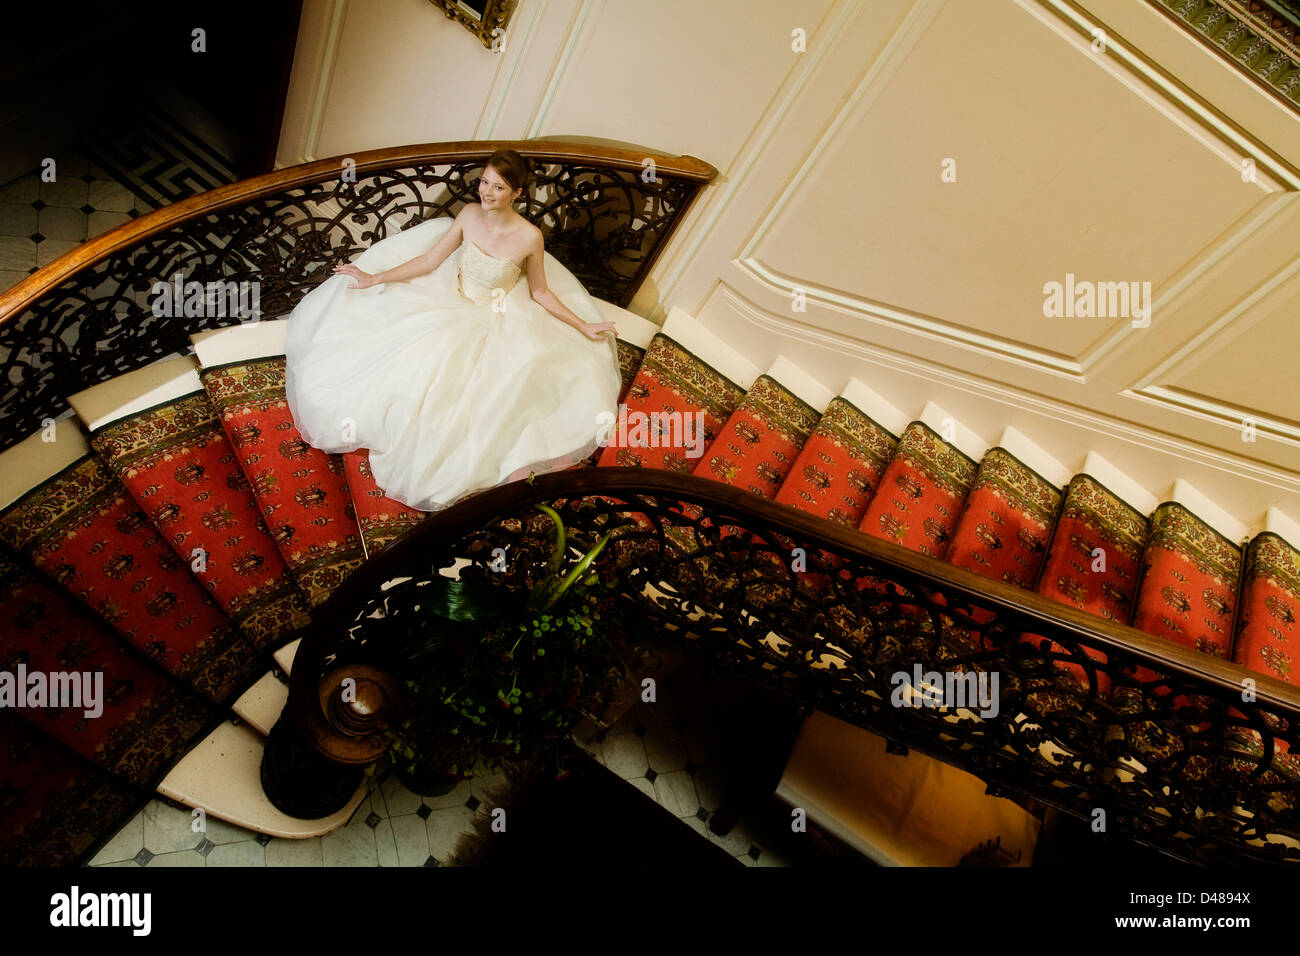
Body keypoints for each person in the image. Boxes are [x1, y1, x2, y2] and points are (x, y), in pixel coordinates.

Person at [283, 149, 622, 512]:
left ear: (517, 194)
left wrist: (583, 325)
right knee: (401, 360)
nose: (487, 193)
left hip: (493, 316)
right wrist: (374, 278)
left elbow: (539, 291)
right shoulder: (469, 214)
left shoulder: (529, 237)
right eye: (485, 183)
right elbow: (430, 260)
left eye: (499, 188)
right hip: (449, 300)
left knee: (481, 391)